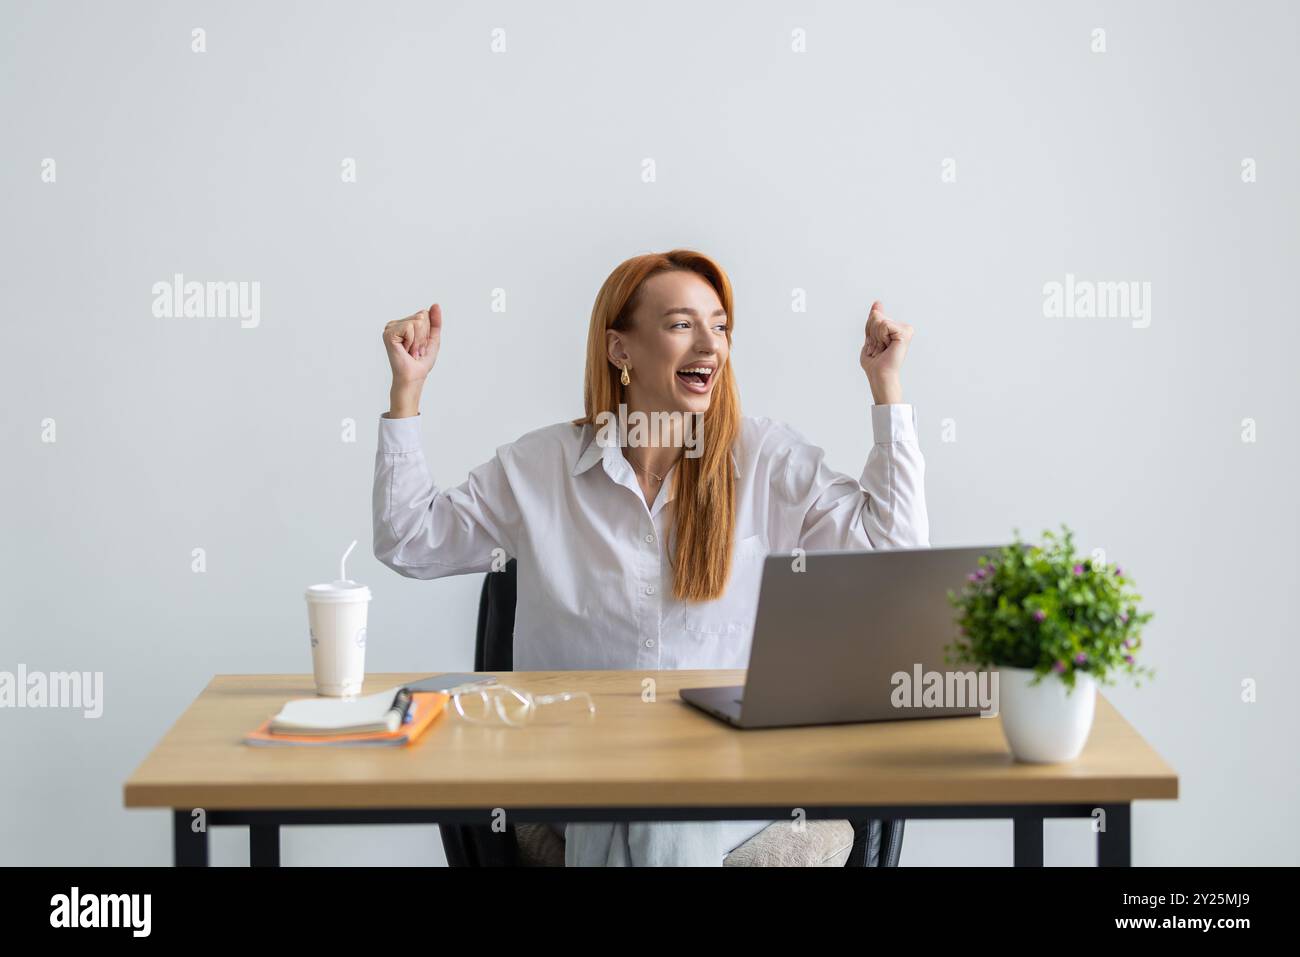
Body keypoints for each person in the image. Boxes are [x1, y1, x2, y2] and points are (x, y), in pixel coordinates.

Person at [372, 249, 929, 865]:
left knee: (655, 809)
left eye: (719, 326)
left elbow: (892, 554)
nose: (709, 346)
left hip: (730, 770)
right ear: (621, 350)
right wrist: (407, 392)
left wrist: (887, 389)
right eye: (681, 324)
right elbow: (410, 541)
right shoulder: (539, 467)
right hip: (576, 766)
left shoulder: (766, 458)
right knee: (638, 807)